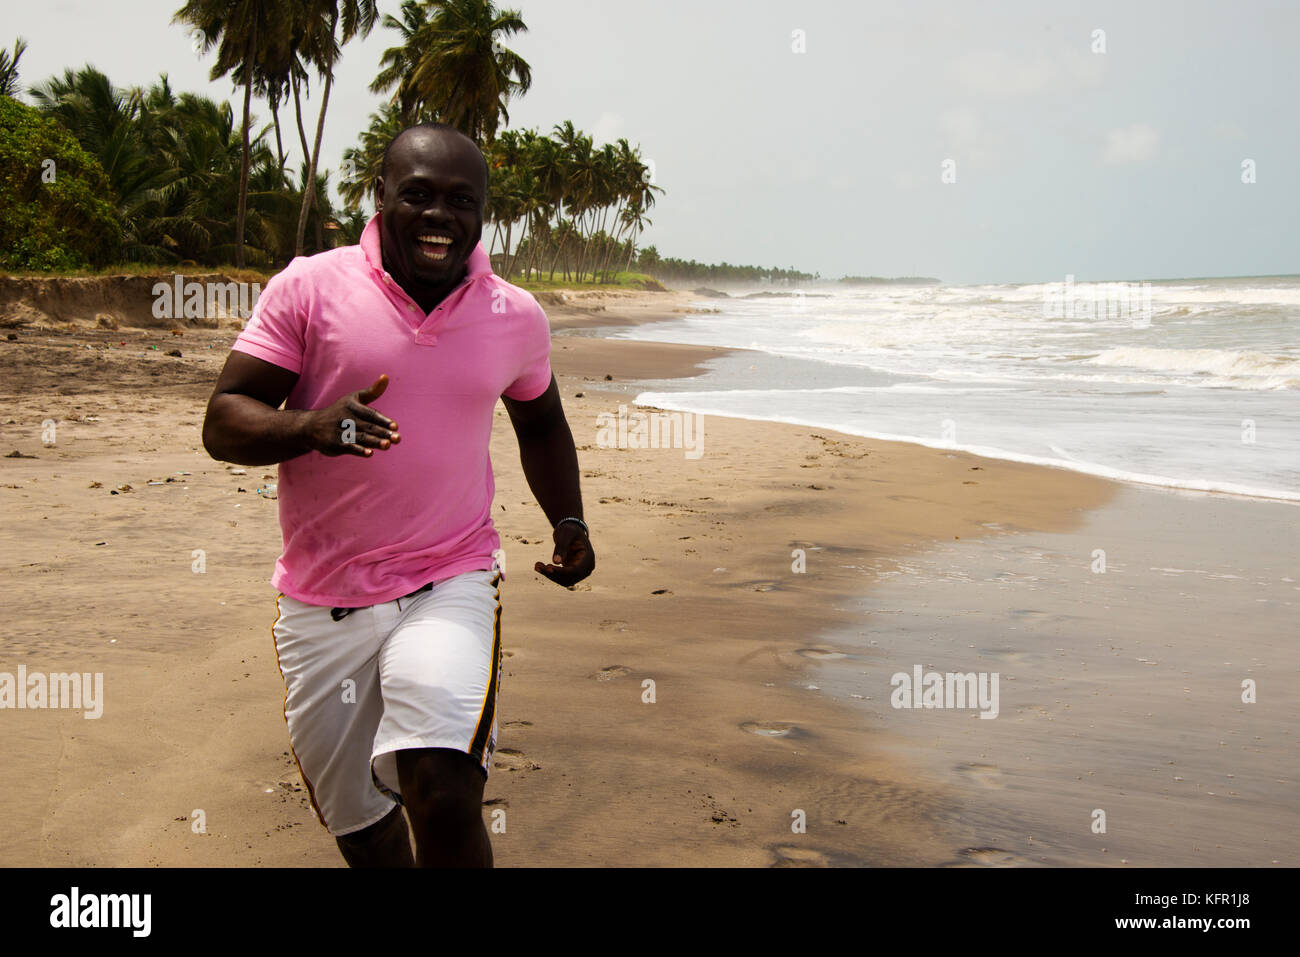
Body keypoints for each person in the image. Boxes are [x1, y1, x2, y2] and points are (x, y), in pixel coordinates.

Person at [201, 122, 594, 867]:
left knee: (442, 788)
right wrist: (311, 427)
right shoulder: (310, 288)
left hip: (452, 577)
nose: (438, 214)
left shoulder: (514, 315)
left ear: (483, 214)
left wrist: (568, 518)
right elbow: (223, 422)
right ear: (380, 197)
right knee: (363, 828)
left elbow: (541, 421)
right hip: (324, 598)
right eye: (416, 195)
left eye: (460, 200)